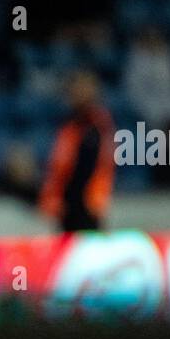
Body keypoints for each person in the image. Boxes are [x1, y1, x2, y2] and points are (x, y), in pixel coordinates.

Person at [38, 70, 114, 233]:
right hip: (68, 207)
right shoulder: (69, 125)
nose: (77, 93)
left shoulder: (98, 126)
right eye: (75, 88)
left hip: (87, 206)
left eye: (83, 88)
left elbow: (87, 169)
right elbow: (60, 166)